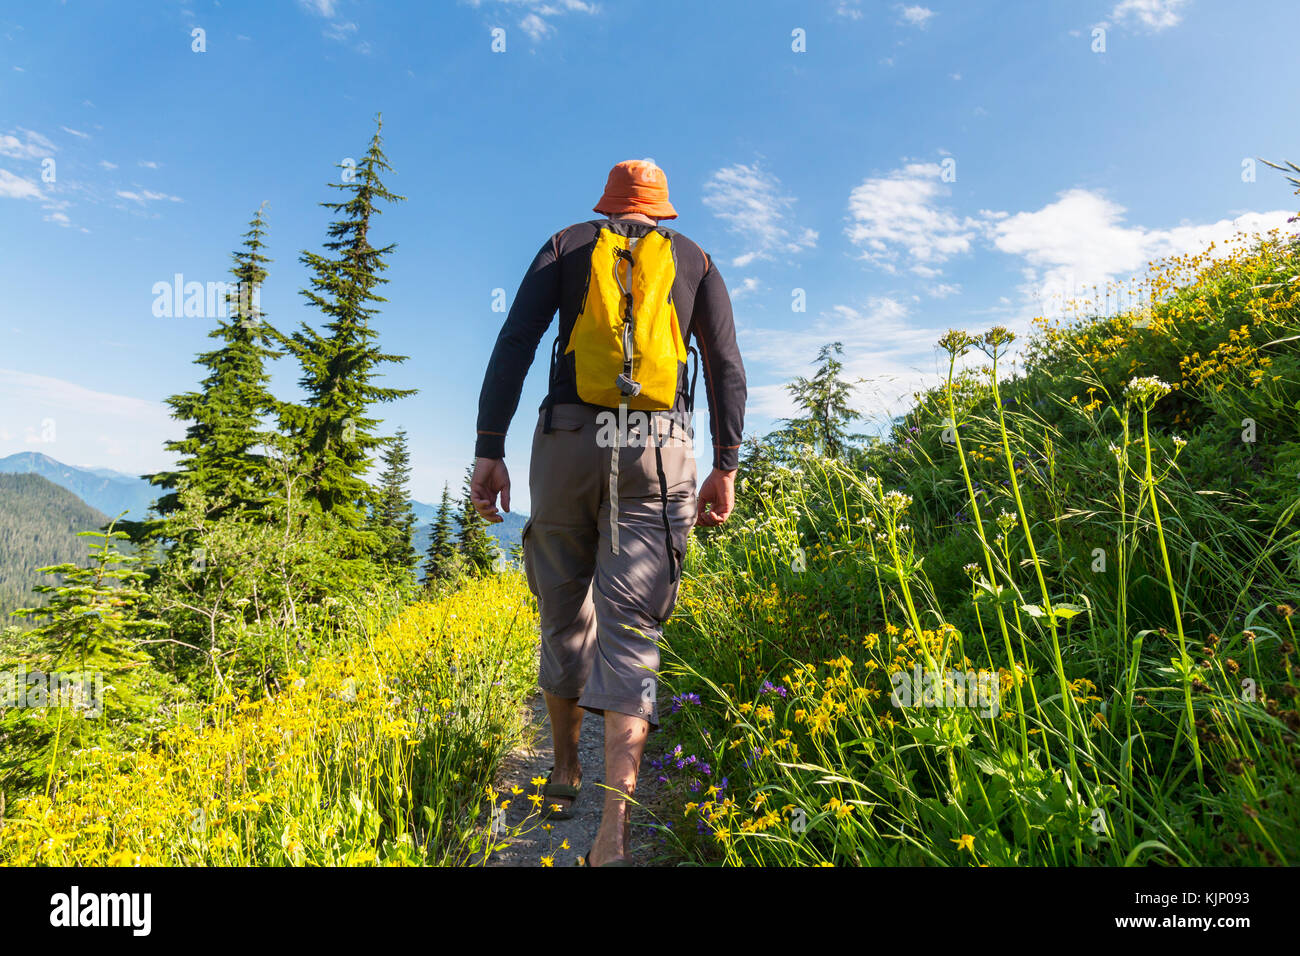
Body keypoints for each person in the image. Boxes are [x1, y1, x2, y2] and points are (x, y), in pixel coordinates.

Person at [469, 159, 746, 866]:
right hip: (659, 448)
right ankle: (612, 832)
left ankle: (564, 770)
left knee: (563, 605)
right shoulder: (696, 260)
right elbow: (725, 367)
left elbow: (515, 344)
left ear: (606, 203)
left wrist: (489, 448)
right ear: (664, 210)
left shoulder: (566, 245)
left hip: (568, 438)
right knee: (633, 628)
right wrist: (726, 464)